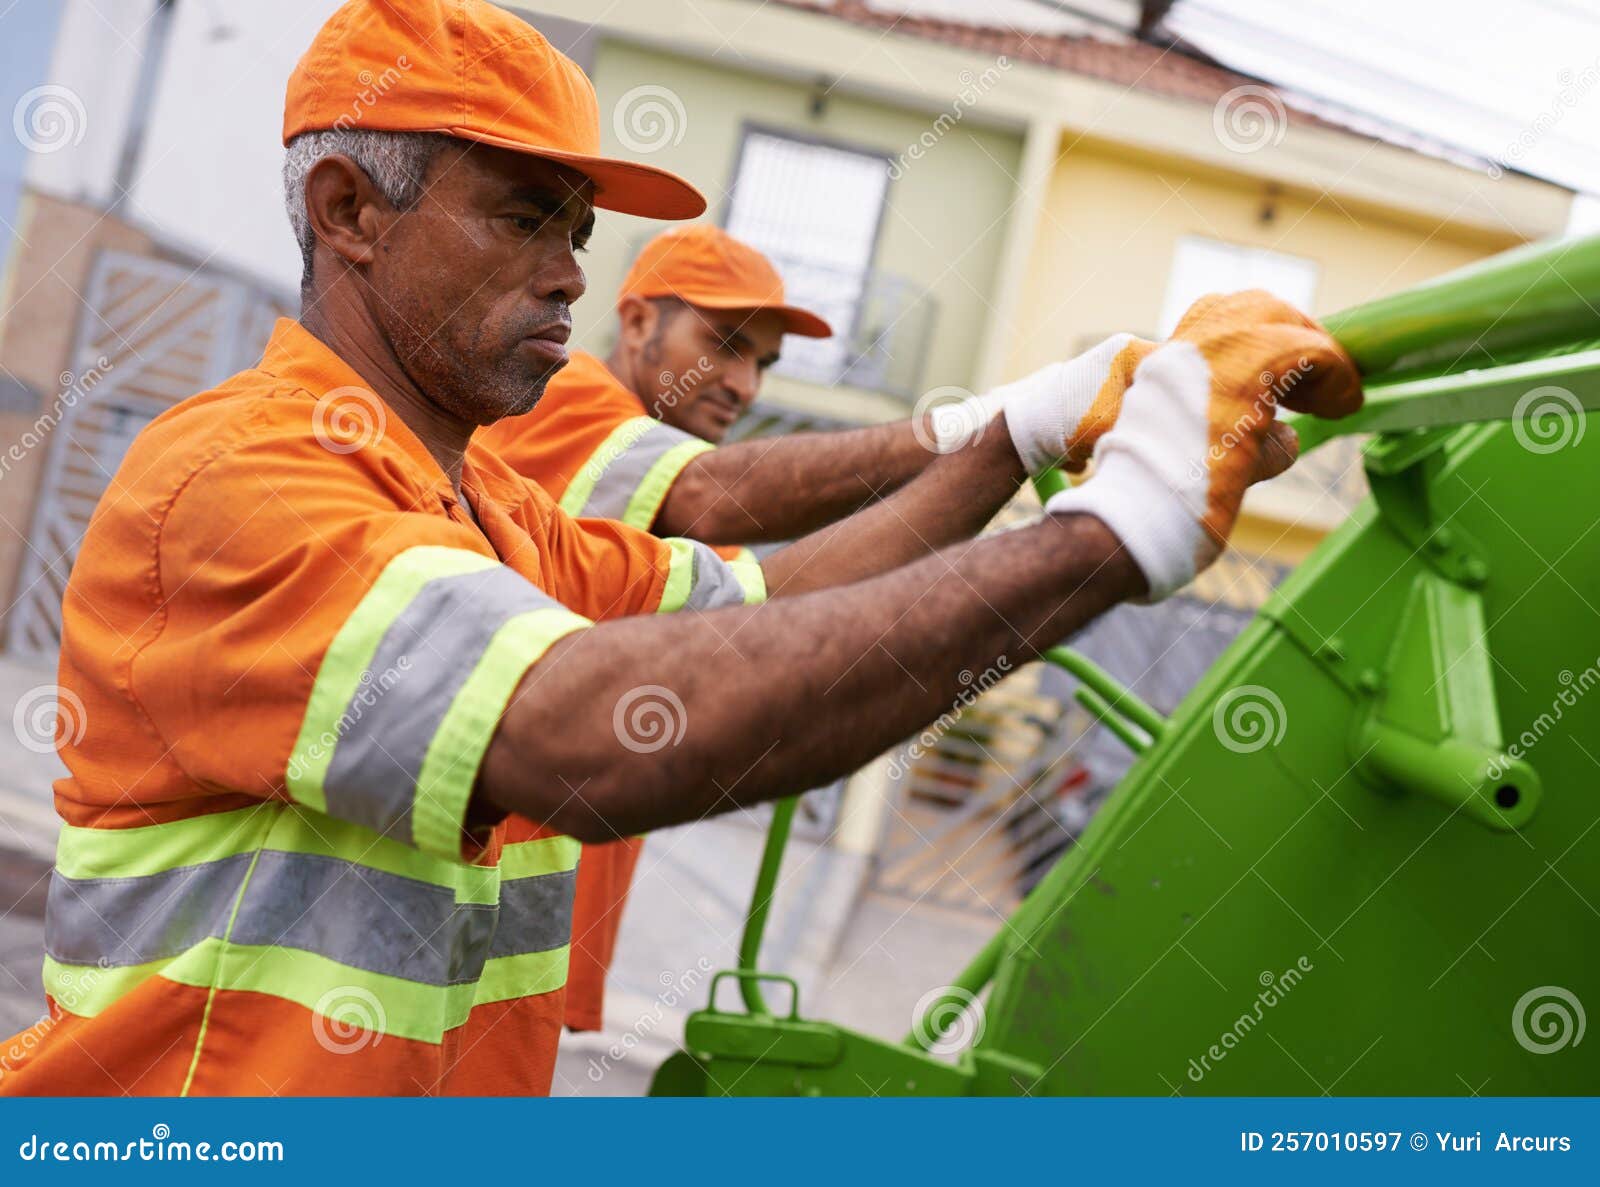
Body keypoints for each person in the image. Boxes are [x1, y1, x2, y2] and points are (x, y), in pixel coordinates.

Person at [0, 0, 1357, 1096]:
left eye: (579, 232)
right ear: (351, 209)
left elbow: (764, 595)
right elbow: (594, 730)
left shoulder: (487, 509)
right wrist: (1111, 534)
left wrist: (1006, 436)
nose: (574, 274)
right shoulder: (245, 474)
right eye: (525, 215)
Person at [477, 222, 1169, 1033]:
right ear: (637, 323)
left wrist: (1010, 452)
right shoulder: (561, 398)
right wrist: (999, 419)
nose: (742, 382)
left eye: (762, 363)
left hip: (519, 943)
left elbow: (796, 612)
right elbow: (714, 492)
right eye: (724, 342)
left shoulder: (677, 533)